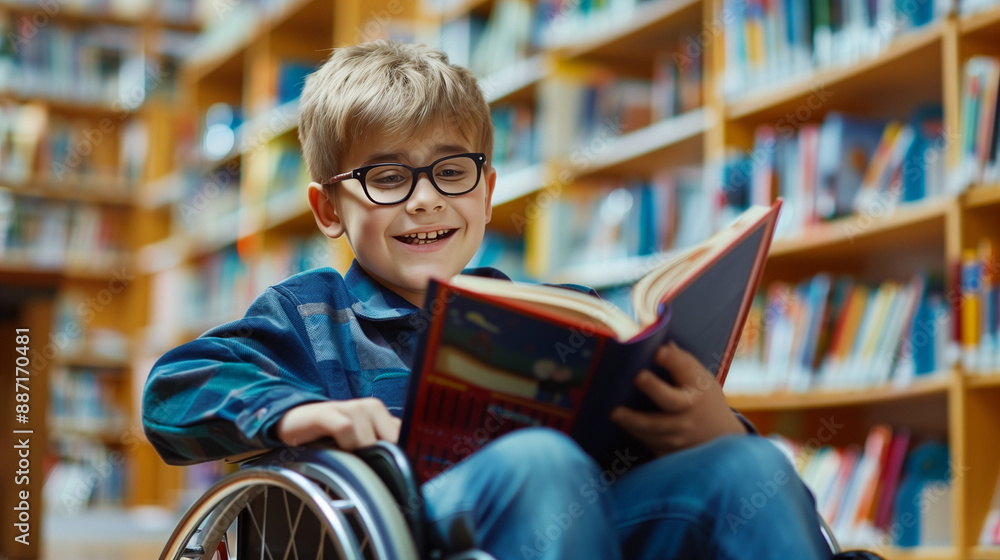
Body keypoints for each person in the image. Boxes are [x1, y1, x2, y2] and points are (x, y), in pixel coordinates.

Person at [143, 40, 836, 559]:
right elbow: (172, 392)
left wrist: (717, 427)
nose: (424, 199)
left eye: (451, 171)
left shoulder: (557, 315)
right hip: (408, 532)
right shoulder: (309, 315)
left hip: (584, 529)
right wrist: (298, 412)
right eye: (386, 177)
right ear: (328, 210)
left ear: (487, 188)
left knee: (751, 468)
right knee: (540, 462)